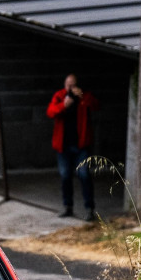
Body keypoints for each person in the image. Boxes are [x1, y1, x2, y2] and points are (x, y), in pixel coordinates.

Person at [47, 74, 99, 219]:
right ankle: (67, 206)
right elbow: (51, 111)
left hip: (80, 145)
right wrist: (64, 105)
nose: (70, 88)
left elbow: (95, 105)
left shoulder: (84, 97)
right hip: (63, 146)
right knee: (65, 176)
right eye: (68, 85)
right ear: (65, 85)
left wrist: (81, 96)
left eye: (73, 85)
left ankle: (89, 209)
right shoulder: (60, 96)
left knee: (84, 175)